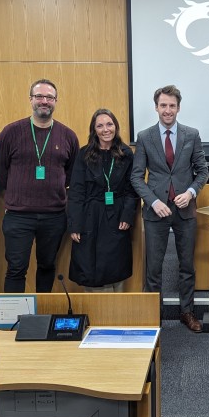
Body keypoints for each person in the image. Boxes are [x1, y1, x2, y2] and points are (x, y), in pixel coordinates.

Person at [131, 84, 209, 332]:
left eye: (172, 106)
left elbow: (203, 171)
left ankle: (187, 312)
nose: (168, 110)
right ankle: (153, 315)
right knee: (153, 267)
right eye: (163, 105)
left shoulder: (191, 134)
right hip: (156, 211)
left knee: (186, 265)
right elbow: (136, 177)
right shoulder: (144, 137)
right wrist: (153, 201)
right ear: (156, 107)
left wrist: (191, 192)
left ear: (178, 107)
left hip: (185, 210)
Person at [0, 79, 79, 293]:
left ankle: (42, 318)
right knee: (16, 269)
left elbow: (72, 173)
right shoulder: (11, 132)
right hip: (19, 215)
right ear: (31, 100)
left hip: (54, 215)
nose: (44, 101)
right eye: (39, 96)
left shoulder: (67, 135)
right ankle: (14, 320)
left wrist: (53, 187)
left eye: (49, 97)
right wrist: (17, 189)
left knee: (47, 266)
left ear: (56, 101)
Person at [67, 109, 137, 292]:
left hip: (117, 216)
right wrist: (75, 224)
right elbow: (76, 191)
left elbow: (132, 189)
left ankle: (116, 314)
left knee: (115, 267)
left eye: (109, 124)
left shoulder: (126, 154)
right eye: (100, 125)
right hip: (90, 217)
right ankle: (95, 314)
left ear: (116, 127)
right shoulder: (84, 154)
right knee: (90, 268)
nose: (106, 129)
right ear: (94, 130)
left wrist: (127, 215)